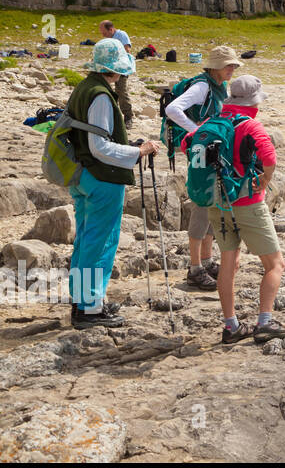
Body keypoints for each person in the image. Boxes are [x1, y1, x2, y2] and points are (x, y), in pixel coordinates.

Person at [181, 75, 285, 345]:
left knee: (229, 263)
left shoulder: (212, 123)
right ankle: (265, 322)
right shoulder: (250, 125)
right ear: (253, 102)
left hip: (217, 205)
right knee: (275, 264)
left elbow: (187, 143)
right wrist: (264, 180)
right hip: (248, 204)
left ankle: (231, 326)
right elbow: (269, 157)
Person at [64, 39, 162, 328]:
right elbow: (100, 147)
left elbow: (92, 138)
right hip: (101, 178)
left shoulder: (84, 87)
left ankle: (81, 301)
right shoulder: (102, 96)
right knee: (101, 242)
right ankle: (90, 309)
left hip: (82, 175)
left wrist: (128, 144)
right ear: (116, 70)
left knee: (85, 240)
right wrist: (138, 152)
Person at [164, 46, 242, 290]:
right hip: (200, 149)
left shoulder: (216, 86)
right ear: (216, 66)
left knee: (212, 200)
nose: (233, 69)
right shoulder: (203, 86)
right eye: (229, 65)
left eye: (234, 65)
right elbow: (172, 109)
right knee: (201, 202)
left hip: (207, 149)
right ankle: (195, 268)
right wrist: (197, 132)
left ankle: (206, 262)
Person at [97, 20, 134, 128]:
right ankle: (112, 116)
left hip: (122, 68)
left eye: (104, 32)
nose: (103, 35)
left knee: (121, 91)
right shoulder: (108, 39)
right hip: (110, 67)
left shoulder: (121, 35)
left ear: (111, 29)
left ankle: (128, 117)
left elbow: (127, 50)